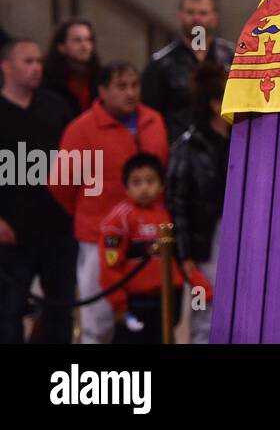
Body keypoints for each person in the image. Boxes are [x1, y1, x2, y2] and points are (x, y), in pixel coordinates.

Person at [50, 62, 169, 343]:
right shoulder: (80, 129)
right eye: (121, 87)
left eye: (134, 86)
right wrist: (91, 215)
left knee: (151, 318)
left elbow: (165, 171)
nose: (130, 93)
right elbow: (61, 183)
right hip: (99, 237)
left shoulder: (154, 121)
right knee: (98, 320)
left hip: (147, 238)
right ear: (102, 91)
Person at [0, 38, 77, 343]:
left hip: (57, 228)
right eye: (28, 62)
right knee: (9, 312)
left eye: (39, 61)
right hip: (12, 232)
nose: (36, 68)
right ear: (6, 67)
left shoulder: (55, 106)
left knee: (61, 311)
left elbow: (76, 160)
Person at [100, 152, 213, 344]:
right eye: (136, 182)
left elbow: (180, 257)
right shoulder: (119, 219)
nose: (144, 188)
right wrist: (118, 303)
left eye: (150, 181)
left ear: (161, 185)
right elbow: (110, 265)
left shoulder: (167, 216)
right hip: (136, 301)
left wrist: (201, 287)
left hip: (168, 299)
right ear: (126, 188)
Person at [165, 60, 231, 343]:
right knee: (206, 316)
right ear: (216, 104)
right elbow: (177, 205)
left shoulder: (246, 140)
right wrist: (187, 257)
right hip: (207, 242)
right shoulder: (188, 147)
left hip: (243, 231)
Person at [141, 0, 235, 141]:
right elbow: (149, 117)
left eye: (203, 13)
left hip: (226, 151)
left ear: (215, 17)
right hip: (179, 153)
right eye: (190, 12)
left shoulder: (234, 58)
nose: (196, 19)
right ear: (180, 16)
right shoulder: (160, 64)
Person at [41, 17, 100, 123]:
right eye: (77, 40)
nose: (84, 46)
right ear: (61, 47)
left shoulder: (100, 77)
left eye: (88, 40)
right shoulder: (47, 80)